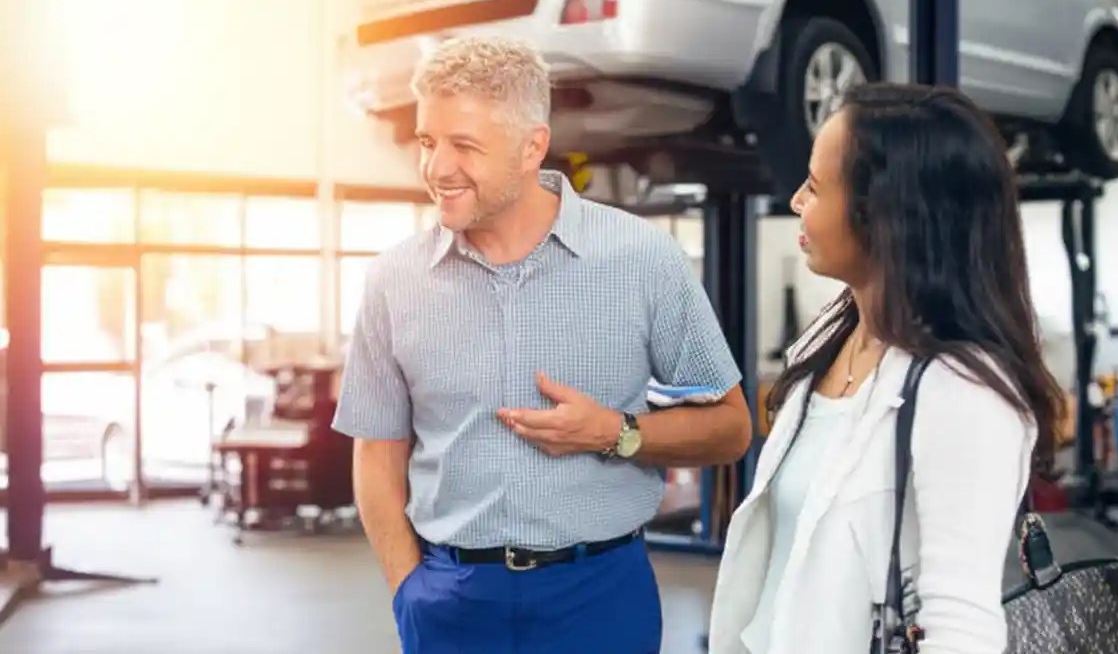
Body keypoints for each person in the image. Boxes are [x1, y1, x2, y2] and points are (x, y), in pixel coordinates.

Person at [332, 35, 752, 654]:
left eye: (464, 146)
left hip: (599, 599)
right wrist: (407, 587)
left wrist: (615, 431)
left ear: (533, 148)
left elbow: (731, 428)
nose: (437, 168)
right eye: (427, 141)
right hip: (450, 602)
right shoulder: (395, 280)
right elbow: (377, 449)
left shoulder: (642, 260)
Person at [706, 83, 1064, 653]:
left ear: (888, 215)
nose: (797, 199)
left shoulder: (964, 390)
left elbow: (961, 626)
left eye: (817, 187)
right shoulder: (828, 339)